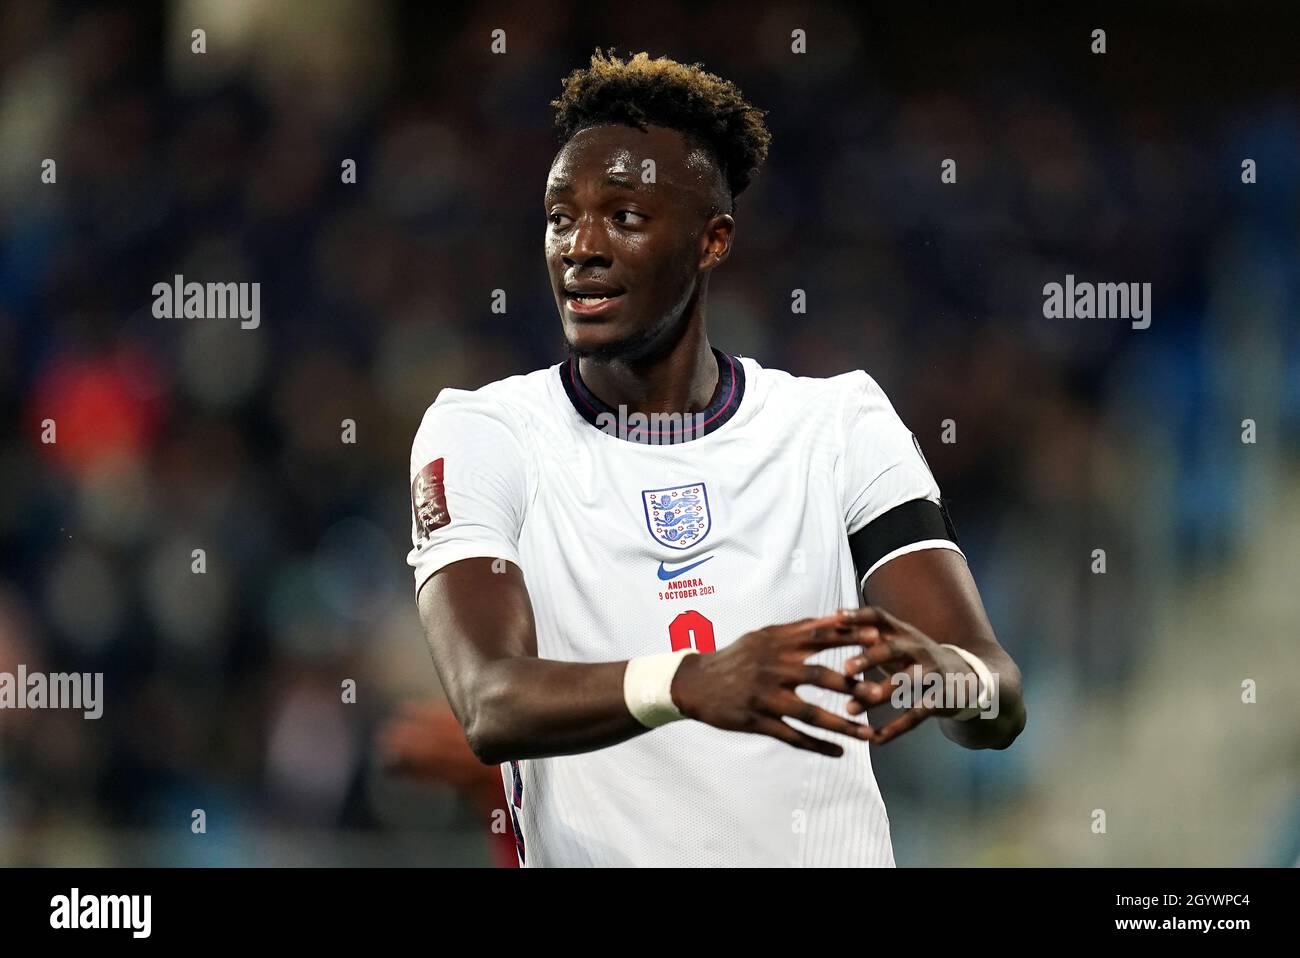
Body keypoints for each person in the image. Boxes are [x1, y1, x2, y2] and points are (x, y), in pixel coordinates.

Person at [406, 49, 1025, 866]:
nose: (580, 247)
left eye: (624, 216)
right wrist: (688, 682)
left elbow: (996, 696)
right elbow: (490, 701)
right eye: (562, 217)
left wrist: (937, 678)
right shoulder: (484, 433)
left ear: (712, 240)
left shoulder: (838, 424)